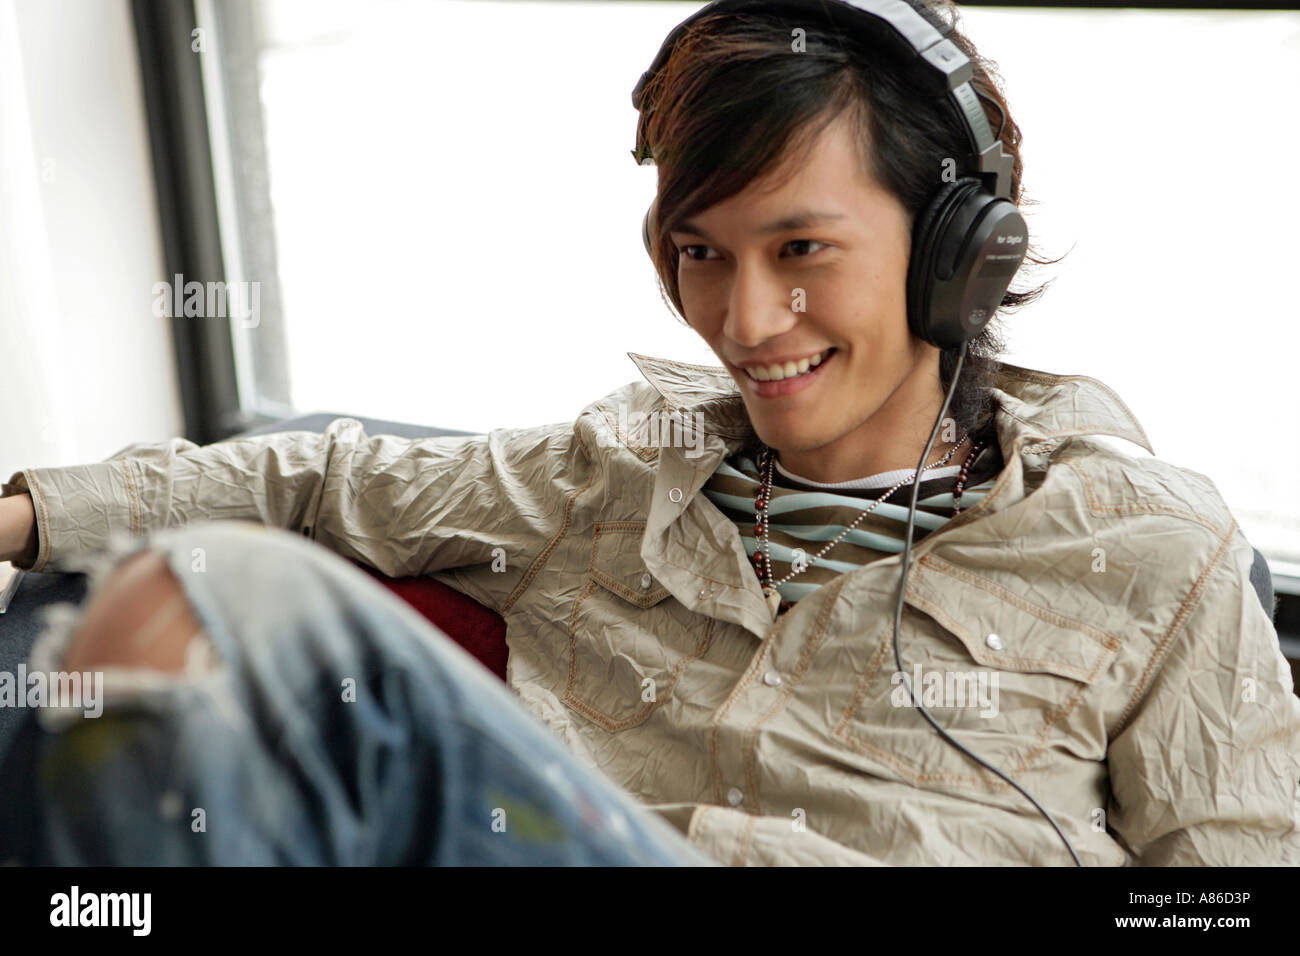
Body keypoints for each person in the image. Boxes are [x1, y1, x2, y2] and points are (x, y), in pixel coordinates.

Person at [1, 0, 1297, 866]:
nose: (742, 317)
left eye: (802, 250)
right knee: (158, 615)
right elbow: (322, 475)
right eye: (699, 253)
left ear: (958, 252)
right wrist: (19, 516)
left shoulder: (1150, 552)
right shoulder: (606, 475)